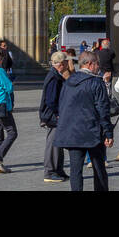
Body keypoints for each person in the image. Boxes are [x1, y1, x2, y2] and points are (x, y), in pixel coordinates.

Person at [56, 50, 114, 192]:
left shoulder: (69, 81)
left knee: (75, 171)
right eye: (97, 64)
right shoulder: (96, 82)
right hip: (92, 131)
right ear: (89, 64)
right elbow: (103, 110)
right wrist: (108, 132)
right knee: (99, 169)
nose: (99, 67)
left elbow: (62, 106)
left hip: (72, 132)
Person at [40, 50, 71, 183]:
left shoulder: (56, 75)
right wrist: (58, 114)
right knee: (53, 144)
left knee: (59, 142)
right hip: (52, 116)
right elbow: (51, 100)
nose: (68, 64)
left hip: (54, 115)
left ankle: (58, 169)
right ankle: (50, 171)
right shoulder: (53, 77)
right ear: (61, 64)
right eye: (66, 62)